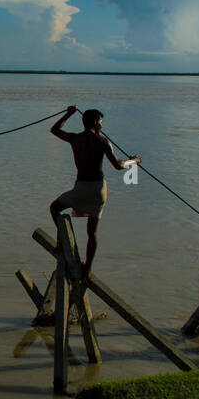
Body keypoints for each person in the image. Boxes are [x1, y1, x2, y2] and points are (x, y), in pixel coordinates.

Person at [49, 105, 139, 279]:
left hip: (81, 187)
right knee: (92, 232)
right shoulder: (103, 142)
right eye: (101, 122)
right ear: (96, 123)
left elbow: (54, 130)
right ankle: (88, 268)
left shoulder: (75, 139)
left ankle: (61, 242)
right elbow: (119, 165)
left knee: (55, 208)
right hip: (98, 189)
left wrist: (68, 114)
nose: (102, 126)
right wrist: (134, 161)